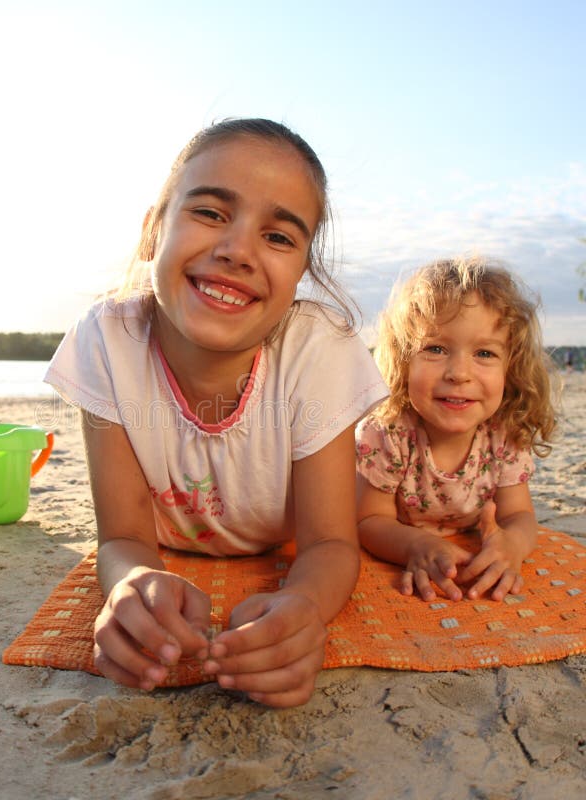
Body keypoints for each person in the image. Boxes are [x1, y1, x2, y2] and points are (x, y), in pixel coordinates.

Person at [45, 118, 387, 707]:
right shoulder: (106, 339)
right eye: (209, 213)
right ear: (155, 229)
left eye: (279, 237)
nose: (237, 252)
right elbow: (123, 535)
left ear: (303, 268)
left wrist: (304, 606)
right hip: (170, 541)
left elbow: (330, 543)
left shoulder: (320, 348)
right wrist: (129, 584)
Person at [356, 257, 557, 604]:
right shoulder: (387, 433)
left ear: (512, 368)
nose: (459, 373)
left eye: (484, 353)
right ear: (404, 361)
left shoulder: (504, 433)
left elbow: (519, 515)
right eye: (435, 349)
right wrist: (416, 545)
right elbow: (370, 521)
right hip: (404, 538)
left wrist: (512, 544)